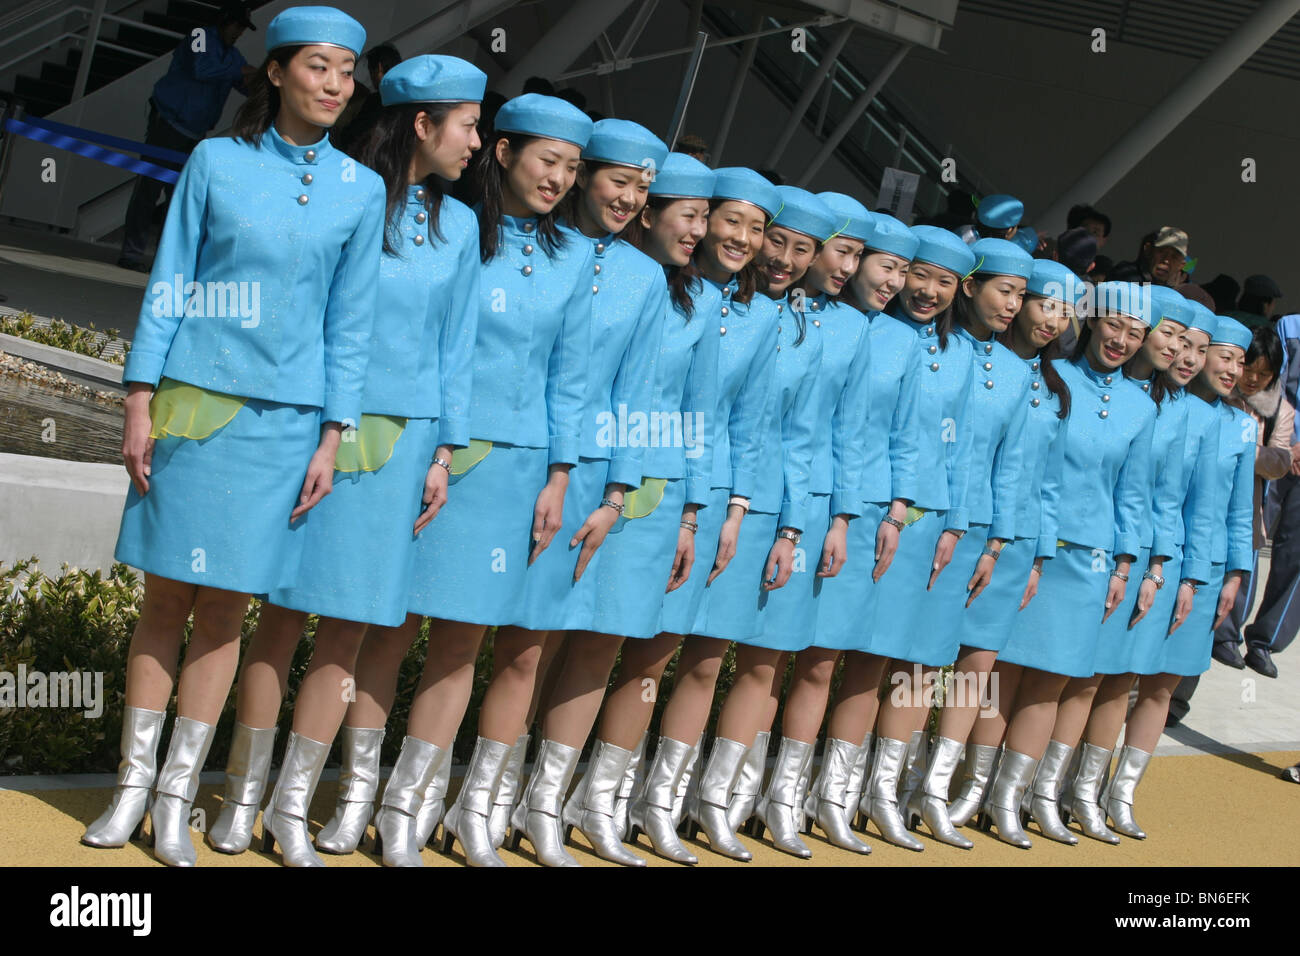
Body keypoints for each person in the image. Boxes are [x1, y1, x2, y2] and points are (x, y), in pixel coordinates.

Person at [82, 6, 384, 867]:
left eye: (346, 71)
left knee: (224, 609)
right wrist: (138, 399)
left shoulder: (360, 193)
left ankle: (175, 798)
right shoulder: (215, 161)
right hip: (192, 409)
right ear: (278, 73)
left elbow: (349, 326)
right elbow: (170, 282)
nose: (334, 85)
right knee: (166, 597)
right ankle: (129, 789)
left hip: (287, 428)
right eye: (318, 67)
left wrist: (333, 436)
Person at [201, 55, 485, 868]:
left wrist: (443, 451)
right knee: (283, 614)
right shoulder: (344, 193)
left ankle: (290, 806)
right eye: (466, 124)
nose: (476, 141)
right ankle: (238, 796)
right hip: (319, 431)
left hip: (402, 445)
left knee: (350, 627)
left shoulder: (460, 227)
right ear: (422, 125)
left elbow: (454, 348)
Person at [325, 93, 593, 870]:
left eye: (573, 169)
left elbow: (568, 380)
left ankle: (407, 811)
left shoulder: (574, 260)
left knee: (461, 642)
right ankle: (354, 797)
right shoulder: (447, 225)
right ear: (503, 153)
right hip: (428, 455)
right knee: (389, 624)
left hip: (513, 468)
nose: (560, 180)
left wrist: (561, 473)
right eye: (549, 161)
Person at [501, 119, 670, 868]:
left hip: (604, 481)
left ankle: (541, 805)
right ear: (580, 178)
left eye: (643, 189)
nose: (631, 199)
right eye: (618, 182)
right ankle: (483, 795)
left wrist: (620, 491)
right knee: (520, 642)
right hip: (528, 464)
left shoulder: (647, 277)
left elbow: (644, 393)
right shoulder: (540, 249)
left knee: (594, 641)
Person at [621, 168, 782, 863]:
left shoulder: (762, 316)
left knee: (698, 656)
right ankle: (584, 796)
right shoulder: (654, 286)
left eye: (757, 229)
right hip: (629, 476)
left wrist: (728, 507)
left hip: (709, 494)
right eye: (730, 222)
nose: (742, 239)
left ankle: (650, 803)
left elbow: (746, 423)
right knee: (612, 648)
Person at [678, 186, 836, 861]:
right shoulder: (707, 299)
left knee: (733, 659)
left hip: (759, 506)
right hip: (682, 488)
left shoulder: (800, 327)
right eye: (778, 241)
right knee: (658, 652)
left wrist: (791, 523)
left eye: (803, 249)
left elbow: (797, 436)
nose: (784, 258)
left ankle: (704, 800)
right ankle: (620, 797)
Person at [906, 248, 1073, 849]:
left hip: (1014, 545)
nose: (1051, 320)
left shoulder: (1054, 386)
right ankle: (903, 781)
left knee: (977, 669)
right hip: (961, 528)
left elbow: (1047, 482)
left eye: (1064, 312)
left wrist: (1038, 555)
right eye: (1038, 303)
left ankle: (946, 789)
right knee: (924, 663)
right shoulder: (967, 356)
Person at [983, 281, 1156, 848]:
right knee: (1000, 674)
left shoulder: (1141, 406)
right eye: (1114, 326)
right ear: (1092, 322)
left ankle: (1017, 797)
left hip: (1091, 560)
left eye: (1135, 333)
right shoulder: (1052, 378)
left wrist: (1126, 567)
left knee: (1054, 682)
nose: (1122, 340)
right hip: (1032, 545)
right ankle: (972, 789)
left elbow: (1133, 495)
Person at [795, 211, 921, 849]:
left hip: (871, 515)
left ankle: (826, 797)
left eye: (905, 269)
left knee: (865, 659)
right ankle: (765, 797)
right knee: (804, 656)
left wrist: (895, 511)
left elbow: (903, 435)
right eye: (887, 265)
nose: (896, 282)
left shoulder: (902, 341)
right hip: (805, 501)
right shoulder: (813, 317)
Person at [851, 226, 978, 851]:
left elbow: (971, 452)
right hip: (877, 512)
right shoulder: (873, 331)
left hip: (938, 528)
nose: (925, 291)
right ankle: (831, 791)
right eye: (917, 275)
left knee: (924, 664)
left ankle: (884, 791)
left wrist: (955, 522)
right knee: (865, 655)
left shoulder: (966, 356)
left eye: (944, 282)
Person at [1071, 287, 1199, 844]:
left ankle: (1096, 793)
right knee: (1076, 675)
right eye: (1170, 334)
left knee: (1121, 679)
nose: (1180, 351)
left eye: (1192, 342)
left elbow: (1169, 499)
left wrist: (1157, 569)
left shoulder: (1179, 409)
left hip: (1145, 557)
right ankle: (1042, 789)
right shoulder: (1101, 387)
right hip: (1092, 548)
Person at [117, 1, 257, 271]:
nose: (239, 32)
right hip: (168, 124)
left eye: (242, 28)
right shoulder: (200, 36)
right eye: (237, 25)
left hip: (194, 133)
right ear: (224, 20)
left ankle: (165, 260)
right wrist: (244, 71)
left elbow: (245, 85)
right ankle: (131, 253)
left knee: (180, 200)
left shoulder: (233, 55)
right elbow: (201, 68)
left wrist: (267, 79)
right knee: (148, 190)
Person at [1212, 326, 1294, 677]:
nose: (1254, 379)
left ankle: (1226, 639)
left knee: (1238, 579)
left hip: (1247, 511)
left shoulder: (1279, 410)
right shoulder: (1216, 392)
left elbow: (1279, 463)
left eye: (1265, 374)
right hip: (1205, 502)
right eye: (1250, 369)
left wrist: (1240, 446)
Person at [335, 43, 402, 153]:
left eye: (371, 71)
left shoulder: (376, 100)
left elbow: (352, 134)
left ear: (379, 68)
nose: (371, 78)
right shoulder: (407, 98)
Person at [1109, 226, 1188, 286]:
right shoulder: (1126, 275)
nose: (1166, 260)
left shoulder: (1179, 295)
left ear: (1181, 265)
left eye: (1174, 257)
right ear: (1148, 250)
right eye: (1162, 252)